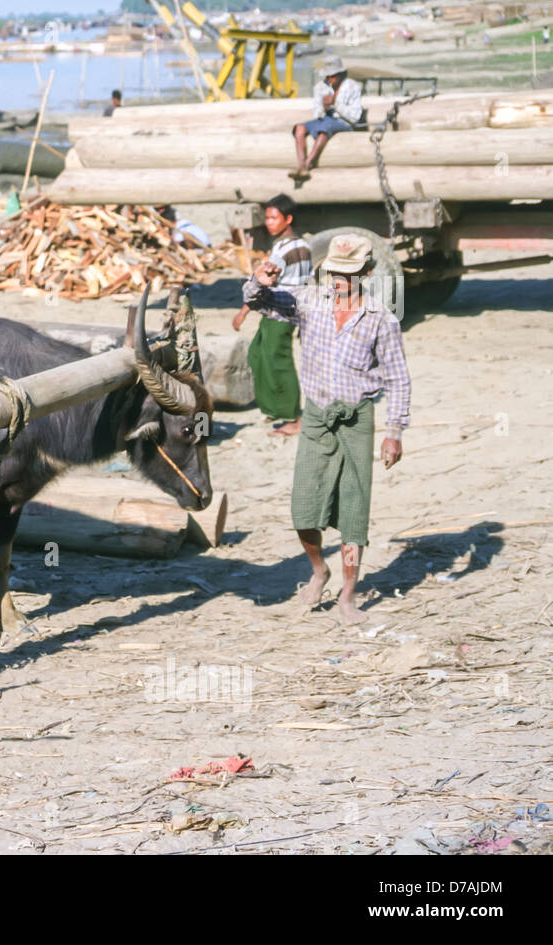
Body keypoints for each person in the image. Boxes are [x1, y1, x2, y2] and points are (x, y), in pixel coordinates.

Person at [242, 234, 410, 625]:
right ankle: (319, 570)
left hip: (356, 421)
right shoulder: (308, 302)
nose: (338, 280)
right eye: (333, 272)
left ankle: (348, 596)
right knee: (304, 510)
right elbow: (259, 302)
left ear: (366, 273)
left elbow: (398, 379)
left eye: (348, 274)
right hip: (316, 419)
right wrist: (259, 280)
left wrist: (395, 431)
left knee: (353, 514)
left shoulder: (380, 320)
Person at [233, 193, 312, 436]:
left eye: (273, 218)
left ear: (287, 219)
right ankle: (274, 408)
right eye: (267, 218)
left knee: (279, 362)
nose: (269, 222)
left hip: (280, 312)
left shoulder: (282, 248)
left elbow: (268, 277)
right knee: (258, 353)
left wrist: (244, 310)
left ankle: (293, 418)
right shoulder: (304, 245)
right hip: (291, 308)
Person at [292, 55, 361, 180]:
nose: (330, 79)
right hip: (325, 120)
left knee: (324, 129)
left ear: (340, 74)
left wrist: (336, 105)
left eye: (333, 76)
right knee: (299, 128)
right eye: (328, 76)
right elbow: (317, 114)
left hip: (343, 122)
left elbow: (354, 117)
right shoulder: (320, 87)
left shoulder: (353, 87)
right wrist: (324, 107)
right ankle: (301, 163)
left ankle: (308, 164)